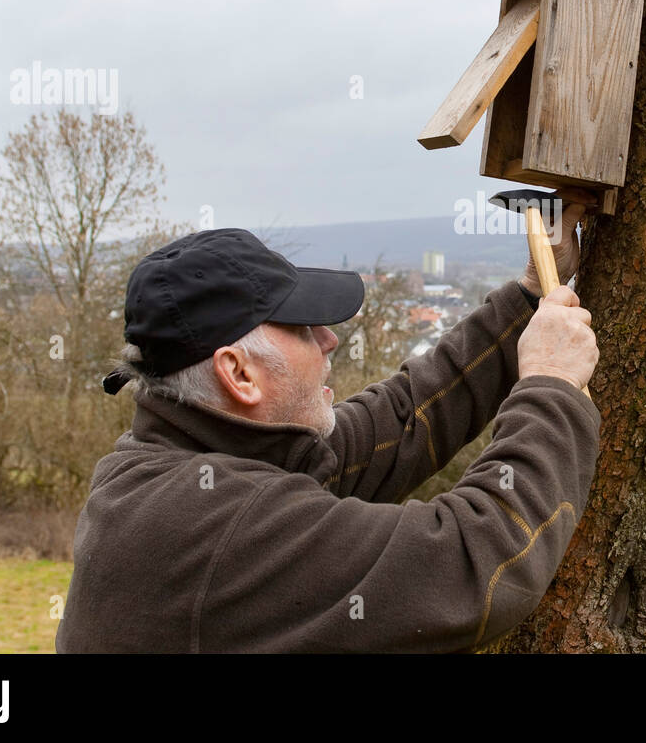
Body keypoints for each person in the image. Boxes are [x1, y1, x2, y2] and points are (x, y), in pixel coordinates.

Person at [55, 190, 600, 652]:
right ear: (239, 373)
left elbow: (403, 420)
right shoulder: (219, 527)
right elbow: (473, 562)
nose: (329, 338)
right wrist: (550, 386)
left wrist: (529, 297)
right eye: (302, 328)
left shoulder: (180, 461)